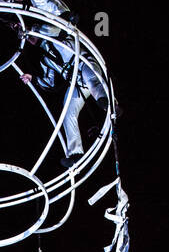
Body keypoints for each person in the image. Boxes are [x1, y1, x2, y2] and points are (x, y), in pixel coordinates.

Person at [21, 21, 110, 168]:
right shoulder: (45, 60)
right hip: (76, 82)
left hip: (85, 65)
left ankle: (108, 102)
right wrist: (34, 78)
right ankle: (76, 154)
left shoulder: (57, 36)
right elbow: (50, 82)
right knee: (68, 112)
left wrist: (33, 28)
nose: (30, 39)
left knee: (92, 82)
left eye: (31, 35)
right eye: (28, 38)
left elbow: (55, 29)